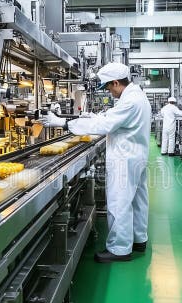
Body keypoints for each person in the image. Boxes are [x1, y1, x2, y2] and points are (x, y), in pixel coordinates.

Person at [40, 62, 151, 263]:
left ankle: (120, 249)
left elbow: (104, 124)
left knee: (119, 202)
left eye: (108, 87)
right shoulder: (136, 95)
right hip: (136, 156)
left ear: (116, 83)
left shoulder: (130, 101)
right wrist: (90, 116)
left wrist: (63, 123)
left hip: (124, 160)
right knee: (137, 200)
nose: (109, 92)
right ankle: (139, 239)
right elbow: (111, 118)